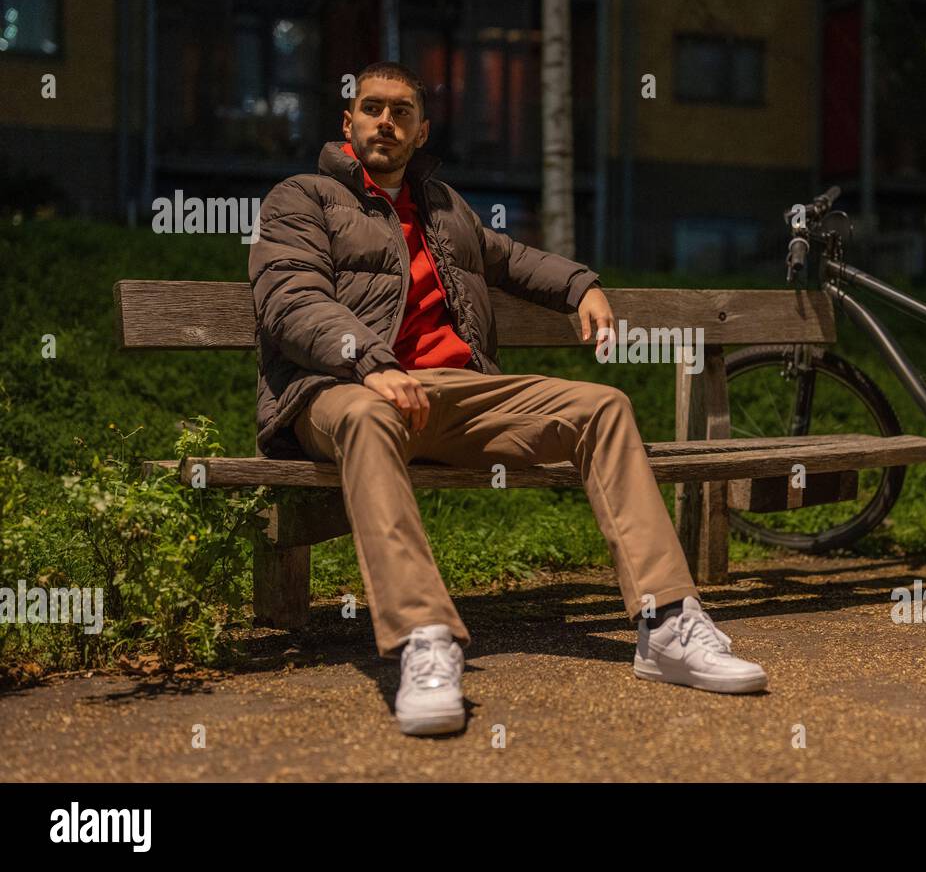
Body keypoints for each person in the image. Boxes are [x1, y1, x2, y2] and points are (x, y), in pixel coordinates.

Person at [248, 62, 768, 736]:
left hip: (455, 396)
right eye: (372, 108)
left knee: (602, 408)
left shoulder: (444, 208)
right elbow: (290, 300)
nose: (386, 122)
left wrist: (582, 286)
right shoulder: (302, 199)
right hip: (341, 390)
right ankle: (424, 641)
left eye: (401, 111)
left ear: (421, 130)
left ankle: (666, 623)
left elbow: (513, 259)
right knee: (369, 416)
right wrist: (370, 363)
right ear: (348, 122)